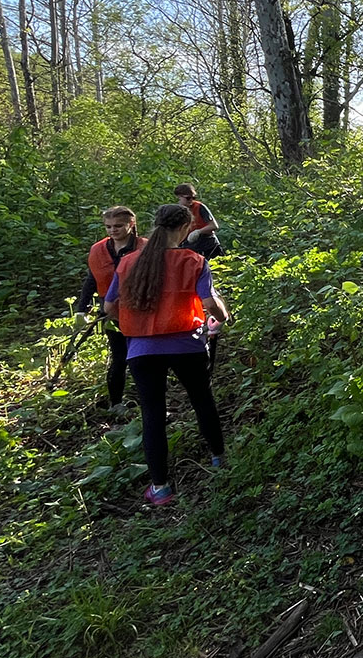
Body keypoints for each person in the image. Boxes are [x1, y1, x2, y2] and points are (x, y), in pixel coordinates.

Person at [106, 203, 231, 506]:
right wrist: (222, 317)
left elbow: (109, 307)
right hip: (186, 344)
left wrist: (134, 326)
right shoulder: (194, 260)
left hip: (142, 349)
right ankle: (219, 458)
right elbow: (210, 304)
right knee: (202, 400)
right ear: (186, 228)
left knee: (152, 414)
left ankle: (160, 487)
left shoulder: (128, 262)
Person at [77, 206, 146, 416]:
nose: (112, 230)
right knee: (119, 357)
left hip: (142, 310)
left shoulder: (144, 247)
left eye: (118, 226)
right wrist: (81, 309)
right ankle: (116, 403)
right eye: (108, 227)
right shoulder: (99, 250)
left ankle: (149, 402)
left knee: (144, 357)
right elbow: (92, 279)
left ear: (131, 225)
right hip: (111, 311)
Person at [174, 184, 223, 259]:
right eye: (188, 198)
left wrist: (199, 232)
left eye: (193, 198)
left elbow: (214, 226)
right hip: (191, 249)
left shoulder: (199, 207)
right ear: (179, 197)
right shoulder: (176, 211)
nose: (191, 200)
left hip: (209, 247)